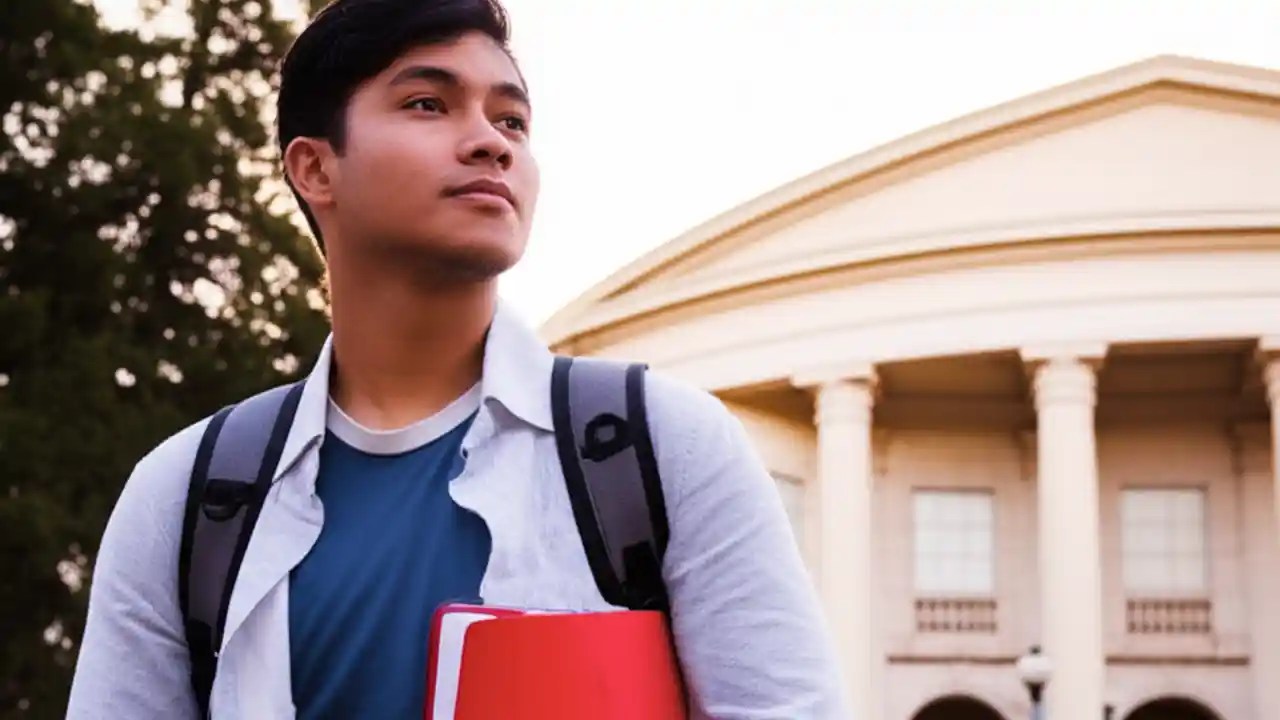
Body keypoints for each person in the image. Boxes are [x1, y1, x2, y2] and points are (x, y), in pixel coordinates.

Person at [66, 0, 849, 717]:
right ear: (314, 168)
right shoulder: (187, 495)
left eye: (511, 121)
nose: (489, 142)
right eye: (427, 103)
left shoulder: (662, 447)